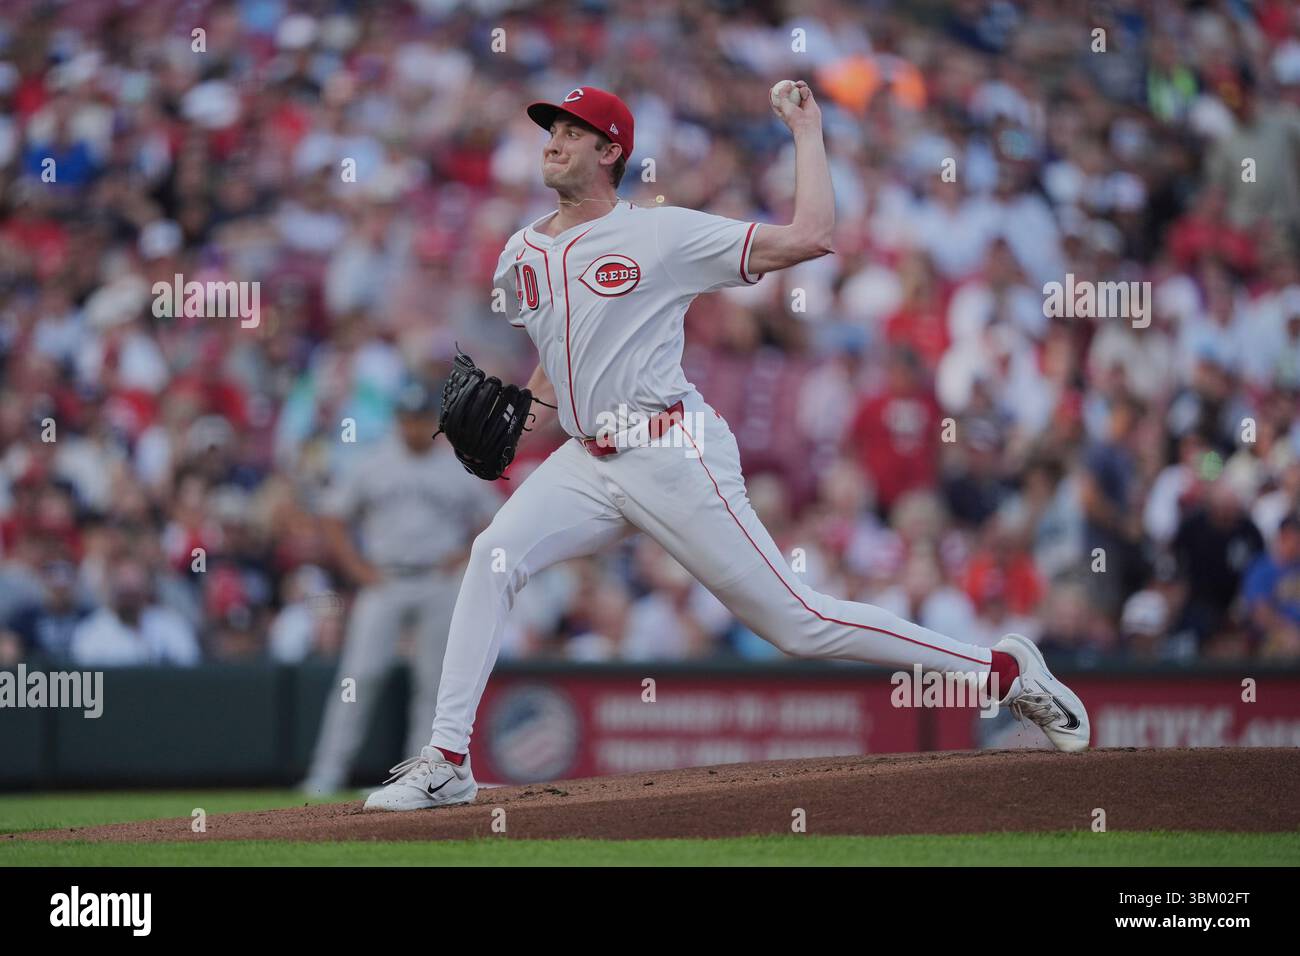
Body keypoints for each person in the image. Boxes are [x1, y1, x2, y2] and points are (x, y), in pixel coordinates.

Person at [364, 83, 1091, 812]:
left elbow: (812, 234)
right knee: (494, 556)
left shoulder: (660, 234)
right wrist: (523, 426)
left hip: (671, 450)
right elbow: (558, 362)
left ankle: (1002, 671)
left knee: (798, 624)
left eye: (573, 131)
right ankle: (448, 756)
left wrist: (807, 129)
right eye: (550, 127)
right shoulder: (521, 253)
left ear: (612, 150)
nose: (553, 139)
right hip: (588, 460)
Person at [300, 380, 500, 795]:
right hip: (386, 579)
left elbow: (494, 518)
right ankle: (327, 774)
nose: (415, 426)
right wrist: (357, 568)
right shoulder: (374, 462)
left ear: (435, 423)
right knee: (358, 677)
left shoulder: (459, 465)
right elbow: (334, 516)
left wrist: (462, 556)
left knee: (434, 683)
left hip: (437, 580)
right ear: (398, 420)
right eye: (408, 418)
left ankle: (420, 778)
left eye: (422, 419)